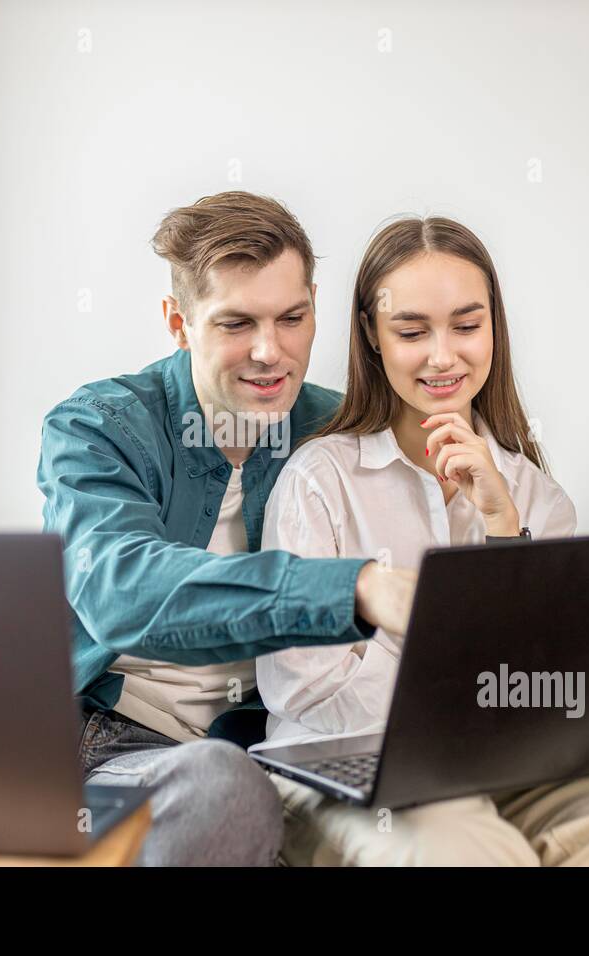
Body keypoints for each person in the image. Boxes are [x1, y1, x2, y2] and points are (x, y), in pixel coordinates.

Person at [254, 215, 589, 866]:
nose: (443, 355)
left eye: (466, 324)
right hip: (351, 771)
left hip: (506, 767)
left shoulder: (535, 496)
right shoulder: (319, 481)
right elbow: (302, 690)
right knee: (458, 851)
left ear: (493, 328)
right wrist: (468, 694)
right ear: (372, 335)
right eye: (411, 330)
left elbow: (554, 682)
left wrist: (504, 533)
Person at [36, 191, 417, 865]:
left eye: (293, 318)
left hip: (282, 746)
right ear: (177, 322)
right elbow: (120, 589)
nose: (270, 352)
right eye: (236, 323)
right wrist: (349, 590)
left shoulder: (339, 434)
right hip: (118, 745)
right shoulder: (98, 427)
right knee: (224, 789)